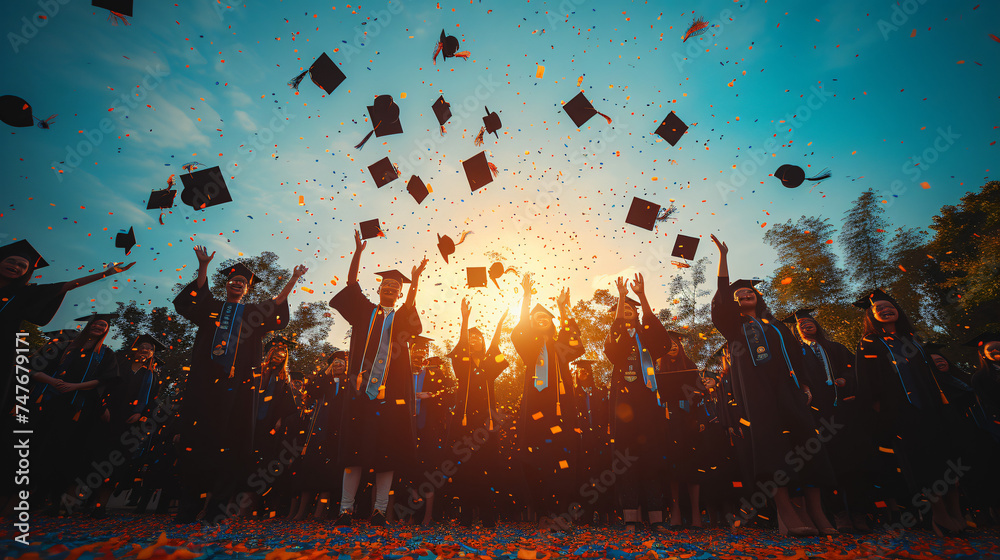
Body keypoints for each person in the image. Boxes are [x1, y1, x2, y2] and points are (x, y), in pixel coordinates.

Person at [709, 234, 836, 537]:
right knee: (770, 447)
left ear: (758, 297)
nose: (742, 295)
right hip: (756, 395)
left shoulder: (776, 326)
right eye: (737, 294)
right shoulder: (735, 328)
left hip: (788, 390)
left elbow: (797, 356)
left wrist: (804, 385)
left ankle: (815, 509)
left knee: (806, 442)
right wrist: (723, 258)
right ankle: (786, 510)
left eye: (747, 292)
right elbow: (721, 302)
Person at [171, 245, 305, 525]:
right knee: (197, 446)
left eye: (242, 282)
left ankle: (216, 509)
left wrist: (293, 279)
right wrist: (203, 266)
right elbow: (192, 300)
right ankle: (187, 508)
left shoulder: (252, 314)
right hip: (206, 390)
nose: (237, 283)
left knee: (231, 449)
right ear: (228, 284)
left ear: (247, 289)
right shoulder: (212, 308)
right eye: (233, 280)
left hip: (238, 393)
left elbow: (278, 305)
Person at [329, 230, 427, 527]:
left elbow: (411, 314)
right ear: (379, 288)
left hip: (391, 396)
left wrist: (415, 281)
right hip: (360, 393)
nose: (389, 287)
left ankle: (379, 511)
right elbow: (350, 285)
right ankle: (345, 509)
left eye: (395, 286)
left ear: (399, 293)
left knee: (387, 451)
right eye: (385, 283)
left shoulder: (401, 317)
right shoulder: (363, 311)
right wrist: (358, 252)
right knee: (353, 450)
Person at [853, 289, 965, 536]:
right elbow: (868, 383)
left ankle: (957, 512)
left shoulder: (913, 339)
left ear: (898, 310)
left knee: (947, 460)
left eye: (888, 306)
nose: (884, 309)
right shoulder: (870, 343)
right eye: (877, 308)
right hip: (903, 412)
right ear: (871, 316)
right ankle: (940, 515)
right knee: (923, 464)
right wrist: (881, 416)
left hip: (933, 407)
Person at [783, 309, 871, 533]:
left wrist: (846, 380)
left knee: (854, 460)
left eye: (809, 322)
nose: (805, 325)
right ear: (796, 330)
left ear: (817, 325)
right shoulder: (795, 353)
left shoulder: (836, 348)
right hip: (816, 414)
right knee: (828, 463)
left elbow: (856, 370)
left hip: (844, 410)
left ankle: (859, 512)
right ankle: (838, 513)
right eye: (800, 324)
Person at [510, 273, 584, 529]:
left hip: (563, 410)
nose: (541, 320)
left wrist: (564, 308)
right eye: (536, 318)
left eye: (545, 317)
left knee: (563, 461)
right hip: (534, 410)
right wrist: (527, 298)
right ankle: (542, 512)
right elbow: (518, 332)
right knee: (534, 460)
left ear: (552, 324)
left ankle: (561, 513)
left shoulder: (560, 346)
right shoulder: (529, 346)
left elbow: (577, 343)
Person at [31, 313, 121, 513]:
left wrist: (75, 386)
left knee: (65, 452)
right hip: (49, 403)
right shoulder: (66, 346)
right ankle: (31, 495)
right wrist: (53, 381)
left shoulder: (105, 354)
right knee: (40, 447)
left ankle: (54, 500)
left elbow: (104, 380)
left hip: (78, 409)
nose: (99, 326)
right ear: (89, 325)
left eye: (103, 325)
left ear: (106, 330)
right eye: (96, 323)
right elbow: (35, 369)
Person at [603, 274, 671, 532]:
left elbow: (663, 340)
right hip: (624, 408)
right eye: (625, 310)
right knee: (626, 460)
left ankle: (656, 518)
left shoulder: (648, 338)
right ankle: (630, 518)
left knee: (652, 460)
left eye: (632, 310)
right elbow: (615, 340)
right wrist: (621, 297)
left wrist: (641, 296)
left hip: (649, 407)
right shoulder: (615, 339)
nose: (628, 312)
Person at [90, 334, 166, 518]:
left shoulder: (152, 377)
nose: (145, 350)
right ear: (135, 349)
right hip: (107, 417)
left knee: (116, 464)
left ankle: (101, 505)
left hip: (130, 424)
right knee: (96, 458)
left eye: (149, 348)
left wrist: (141, 414)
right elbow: (104, 388)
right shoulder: (119, 366)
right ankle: (84, 501)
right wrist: (103, 408)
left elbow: (153, 402)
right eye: (142, 346)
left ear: (152, 354)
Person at [448, 298, 509, 528]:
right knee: (465, 468)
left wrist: (501, 323)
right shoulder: (462, 364)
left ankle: (488, 516)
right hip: (464, 423)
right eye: (471, 338)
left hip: (487, 424)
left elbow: (495, 347)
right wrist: (465, 321)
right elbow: (460, 347)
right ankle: (465, 516)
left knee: (488, 468)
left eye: (478, 338)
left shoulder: (489, 365)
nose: (475, 340)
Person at [243, 336, 299, 517]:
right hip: (248, 423)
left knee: (261, 465)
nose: (279, 355)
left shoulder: (284, 377)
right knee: (242, 460)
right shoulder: (256, 371)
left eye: (283, 353)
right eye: (276, 351)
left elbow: (288, 404)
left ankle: (252, 507)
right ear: (268, 352)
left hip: (267, 426)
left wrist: (280, 418)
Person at [659, 330, 706, 530]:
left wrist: (695, 396)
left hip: (690, 421)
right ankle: (675, 513)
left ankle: (696, 513)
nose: (673, 346)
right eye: (669, 344)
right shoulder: (657, 371)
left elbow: (701, 393)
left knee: (693, 465)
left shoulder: (691, 366)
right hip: (669, 422)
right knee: (673, 466)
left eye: (676, 344)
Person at [407, 337, 452, 525]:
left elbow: (450, 393)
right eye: (416, 350)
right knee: (408, 471)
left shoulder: (435, 374)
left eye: (423, 351)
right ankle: (410, 514)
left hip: (429, 429)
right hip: (407, 429)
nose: (419, 353)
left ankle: (428, 515)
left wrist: (431, 395)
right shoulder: (403, 374)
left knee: (429, 472)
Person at [573, 358, 612, 526]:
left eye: (586, 370)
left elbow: (607, 414)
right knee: (583, 476)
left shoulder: (600, 392)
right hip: (580, 441)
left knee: (601, 475)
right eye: (580, 370)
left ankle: (603, 512)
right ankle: (585, 515)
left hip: (599, 440)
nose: (584, 372)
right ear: (576, 373)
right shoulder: (571, 393)